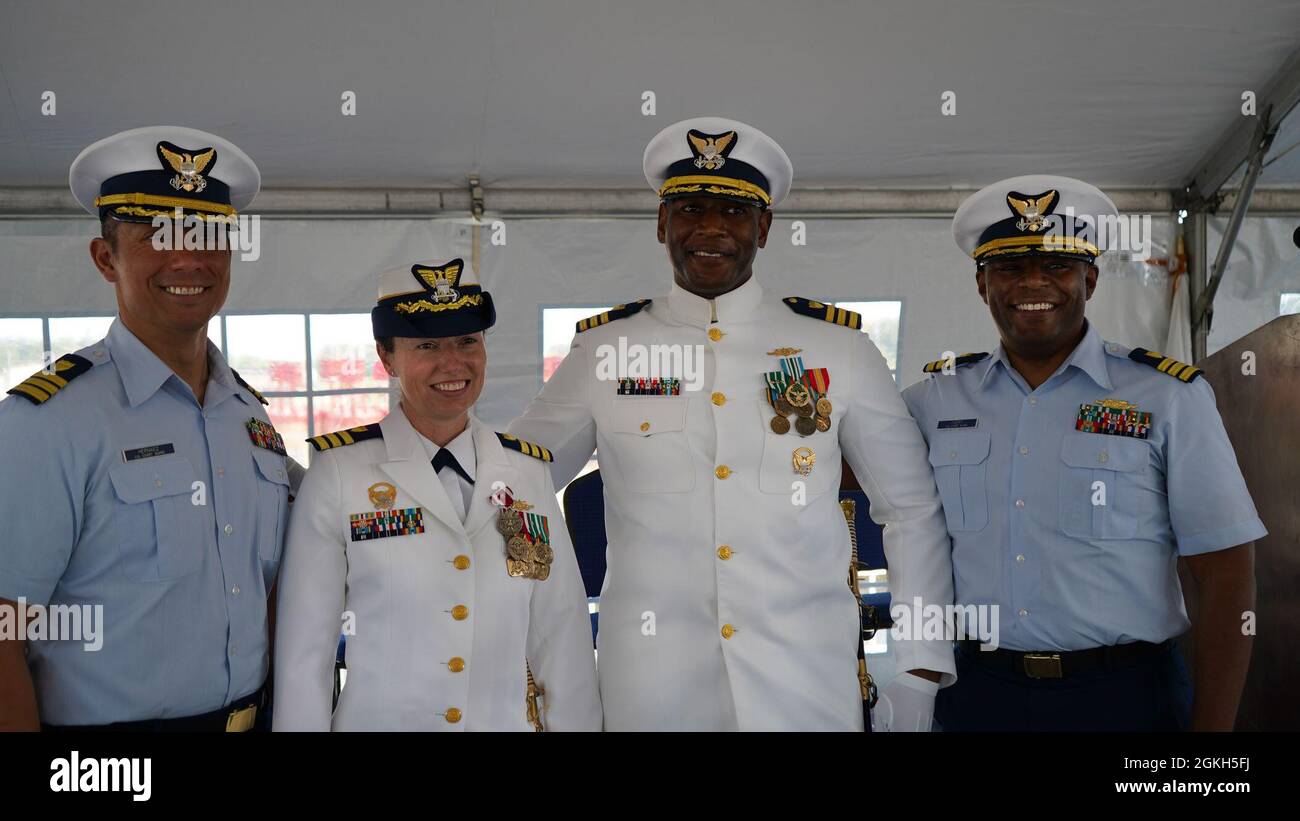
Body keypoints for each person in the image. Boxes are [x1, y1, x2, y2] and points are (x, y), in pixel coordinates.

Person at [508, 117, 956, 731]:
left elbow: (911, 510)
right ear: (662, 224)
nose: (711, 228)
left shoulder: (838, 349)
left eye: (735, 212)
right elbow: (514, 481)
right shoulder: (606, 351)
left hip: (806, 683)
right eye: (690, 208)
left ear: (764, 228)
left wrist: (921, 665)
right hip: (652, 687)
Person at [902, 174, 1264, 731]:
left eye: (1056, 266)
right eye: (1010, 267)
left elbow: (1226, 573)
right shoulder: (934, 399)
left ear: (1089, 279)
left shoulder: (1168, 397)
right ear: (982, 284)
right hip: (979, 695)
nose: (1033, 283)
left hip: (1125, 699)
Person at [0, 126, 295, 731]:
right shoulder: (49, 423)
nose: (189, 258)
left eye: (209, 234)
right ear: (106, 258)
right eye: (158, 235)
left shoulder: (249, 417)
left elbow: (268, 591)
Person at [272, 258, 600, 731]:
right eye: (427, 345)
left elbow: (562, 638)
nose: (453, 362)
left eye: (467, 341)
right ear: (387, 359)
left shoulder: (526, 475)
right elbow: (306, 652)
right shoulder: (341, 474)